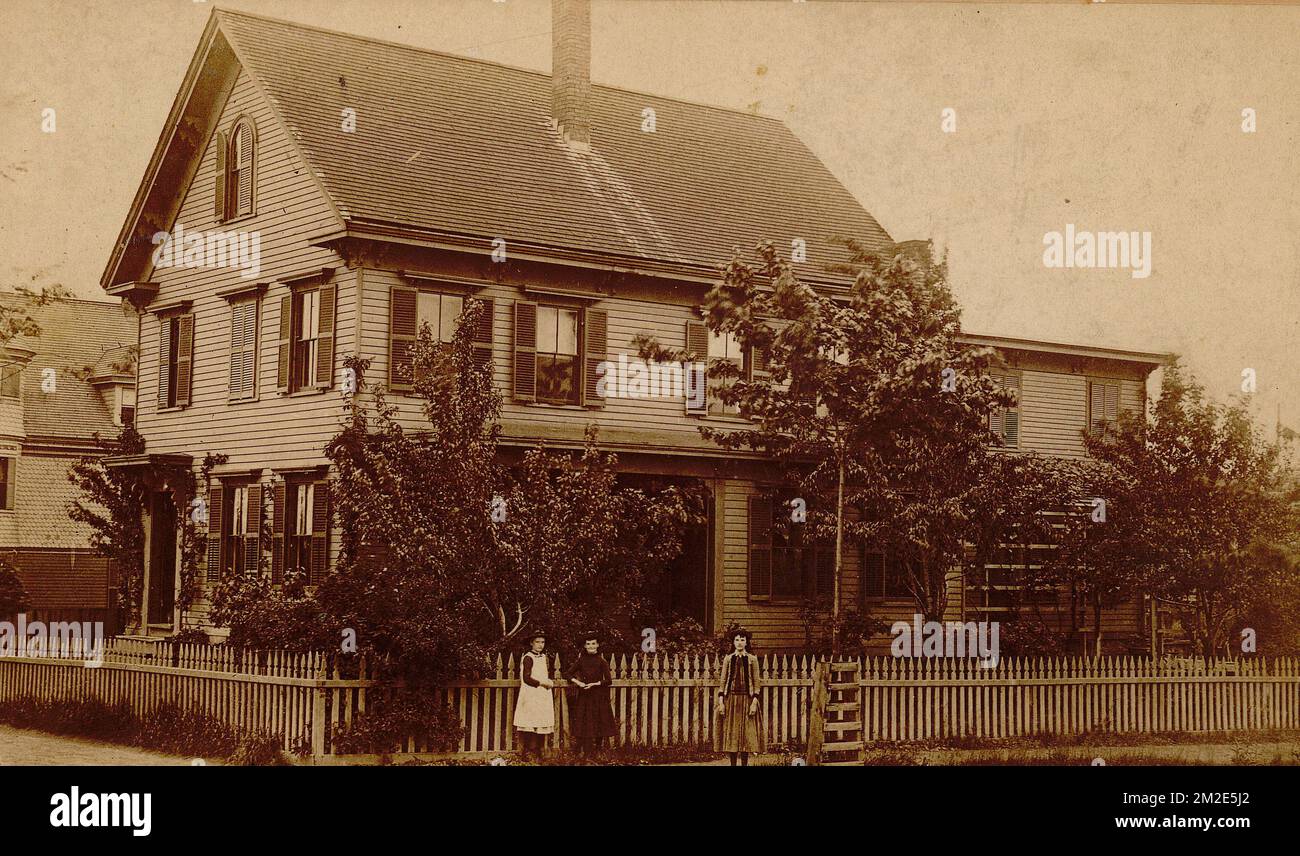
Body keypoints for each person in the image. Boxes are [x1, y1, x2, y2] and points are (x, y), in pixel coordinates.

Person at [715, 628, 765, 766]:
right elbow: (723, 682)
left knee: (745, 735)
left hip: (746, 700)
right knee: (732, 734)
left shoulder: (752, 659)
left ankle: (744, 764)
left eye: (742, 640)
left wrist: (754, 702)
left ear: (747, 642)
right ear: (733, 642)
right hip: (731, 700)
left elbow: (756, 683)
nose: (739, 643)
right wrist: (721, 702)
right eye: (737, 640)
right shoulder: (728, 659)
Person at [567, 632, 616, 757]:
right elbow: (568, 674)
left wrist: (594, 684)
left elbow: (608, 680)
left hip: (598, 696)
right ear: (585, 646)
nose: (591, 646)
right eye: (588, 644)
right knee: (585, 722)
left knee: (599, 722)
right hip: (585, 696)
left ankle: (598, 750)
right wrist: (578, 682)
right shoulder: (581, 660)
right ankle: (582, 751)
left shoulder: (601, 661)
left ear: (597, 645)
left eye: (593, 644)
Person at [513, 630, 555, 762]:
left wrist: (549, 682)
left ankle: (538, 751)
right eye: (537, 642)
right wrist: (543, 683)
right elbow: (526, 678)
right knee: (530, 722)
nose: (540, 645)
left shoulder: (543, 657)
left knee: (541, 721)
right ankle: (527, 752)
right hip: (531, 693)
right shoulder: (528, 657)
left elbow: (542, 673)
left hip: (542, 694)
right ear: (531, 643)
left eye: (542, 642)